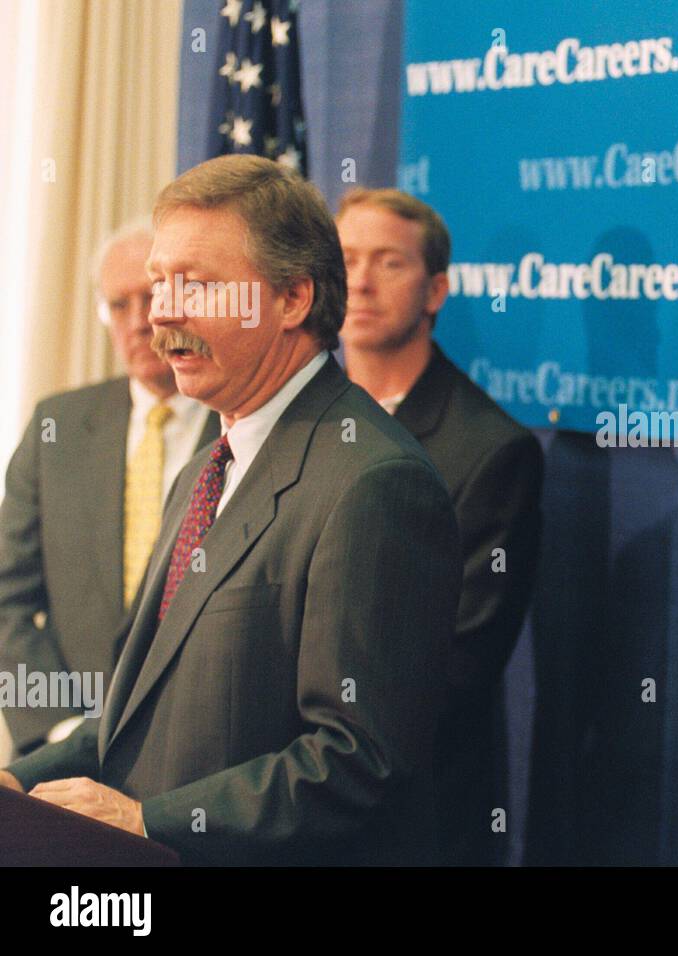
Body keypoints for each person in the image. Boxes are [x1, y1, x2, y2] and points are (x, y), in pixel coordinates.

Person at [0, 154, 463, 865]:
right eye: (160, 284)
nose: (161, 313)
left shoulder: (374, 482)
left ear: (292, 299)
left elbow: (358, 759)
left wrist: (149, 820)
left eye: (196, 285)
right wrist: (17, 782)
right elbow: (131, 711)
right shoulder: (205, 469)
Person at [336, 187, 542, 865]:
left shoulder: (489, 449)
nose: (360, 282)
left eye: (388, 263)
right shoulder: (289, 423)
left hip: (407, 827)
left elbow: (456, 665)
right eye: (346, 260)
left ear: (435, 291)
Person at [0, 221, 218, 757]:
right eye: (118, 305)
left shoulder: (240, 428)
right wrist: (57, 730)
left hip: (199, 760)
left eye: (152, 298)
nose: (139, 322)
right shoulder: (58, 427)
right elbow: (7, 599)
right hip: (63, 755)